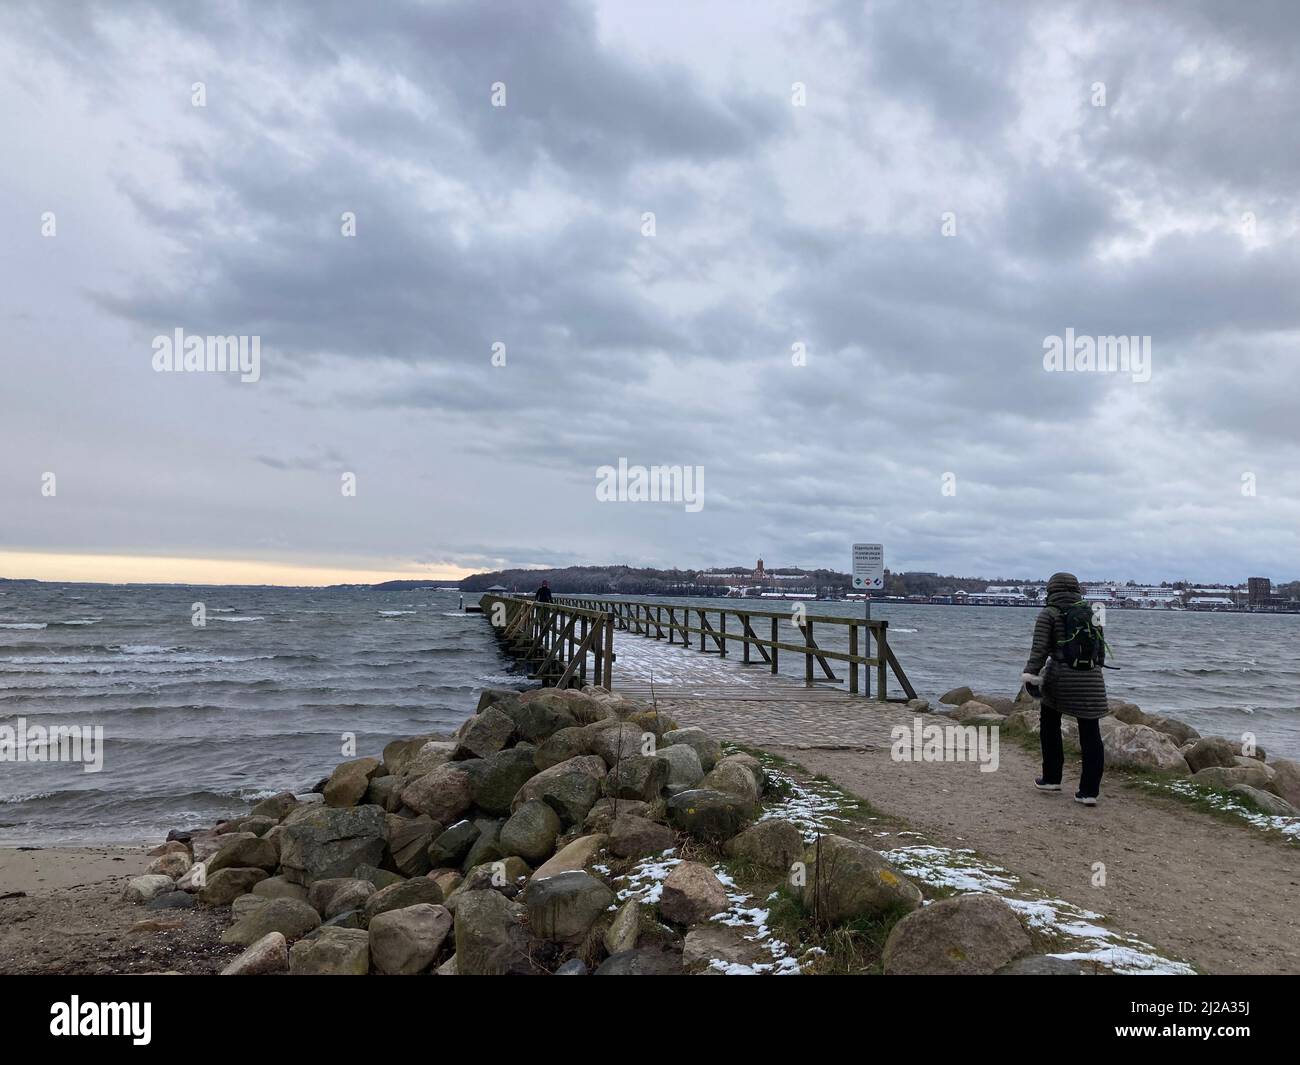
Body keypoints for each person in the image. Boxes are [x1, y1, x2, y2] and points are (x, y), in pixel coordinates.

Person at [1021, 572, 1109, 806]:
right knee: (1091, 733)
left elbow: (1039, 650)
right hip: (1092, 679)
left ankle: (1052, 778)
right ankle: (1089, 791)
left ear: (1051, 590)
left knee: (1050, 724)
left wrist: (1030, 675)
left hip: (1060, 677)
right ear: (1077, 589)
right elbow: (1100, 651)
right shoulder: (1094, 612)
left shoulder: (1048, 613)